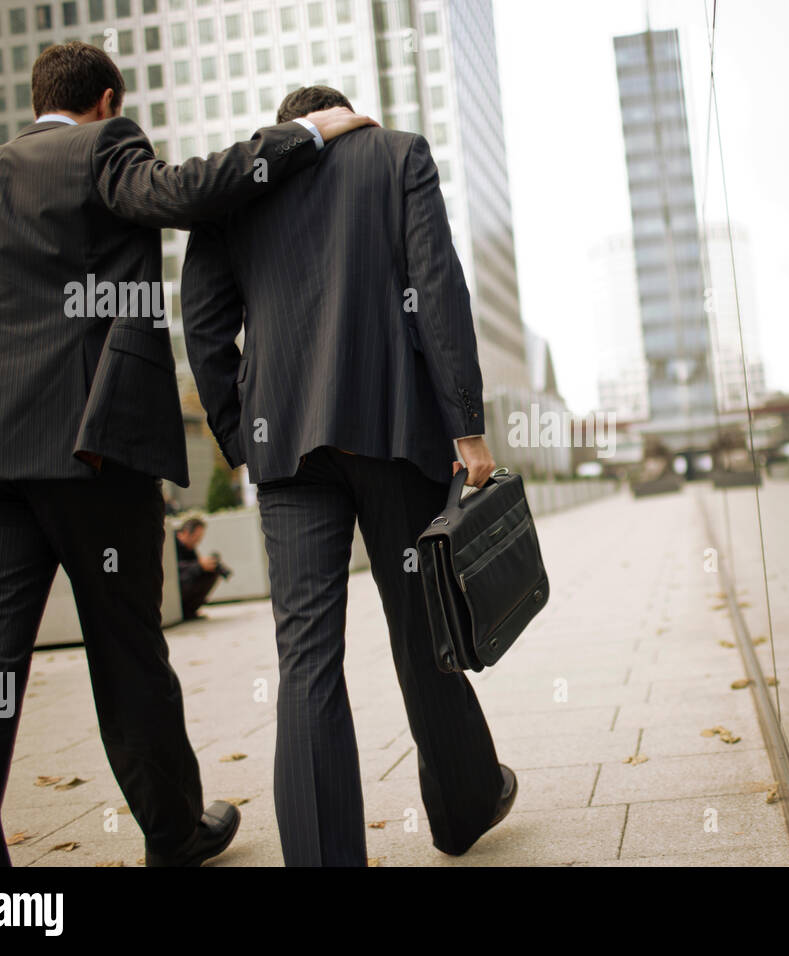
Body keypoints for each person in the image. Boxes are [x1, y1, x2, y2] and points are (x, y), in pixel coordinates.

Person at [0, 43, 376, 866]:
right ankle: (174, 832)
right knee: (128, 654)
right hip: (93, 447)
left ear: (34, 98)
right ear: (106, 97)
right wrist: (305, 133)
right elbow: (186, 191)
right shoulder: (102, 146)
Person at [182, 86, 515, 866]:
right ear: (350, 114)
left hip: (286, 450)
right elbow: (439, 294)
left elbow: (201, 325)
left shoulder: (238, 185)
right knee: (420, 626)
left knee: (305, 656)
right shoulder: (398, 155)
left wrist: (243, 434)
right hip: (393, 431)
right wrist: (467, 428)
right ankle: (464, 807)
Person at [175, 517, 223, 620]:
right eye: (196, 537)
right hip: (174, 587)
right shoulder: (171, 544)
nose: (198, 541)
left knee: (211, 573)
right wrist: (199, 565)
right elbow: (175, 570)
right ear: (186, 533)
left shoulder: (189, 547)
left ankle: (189, 611)